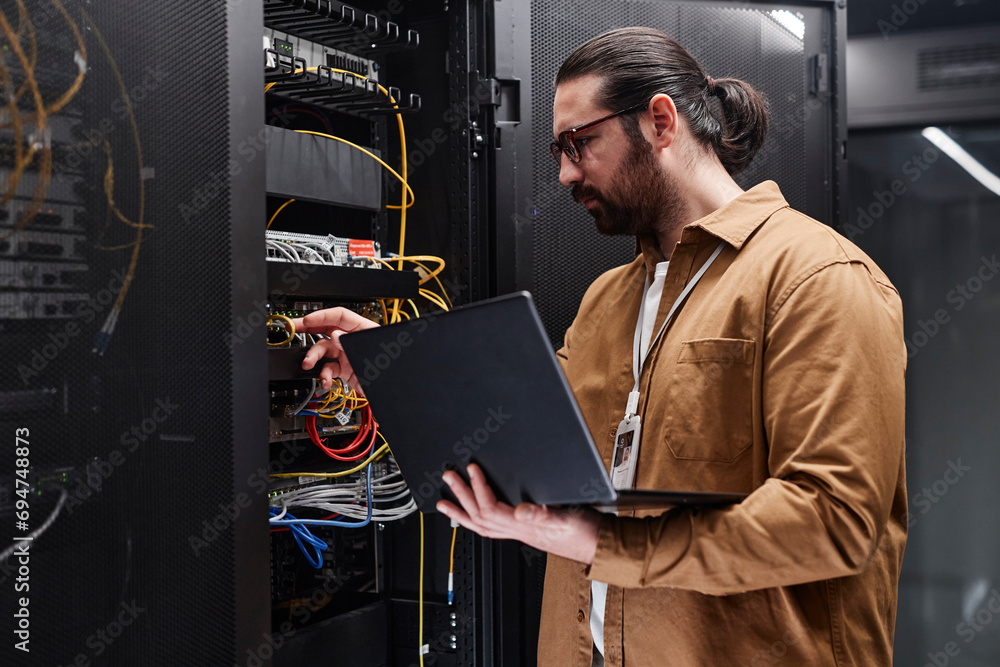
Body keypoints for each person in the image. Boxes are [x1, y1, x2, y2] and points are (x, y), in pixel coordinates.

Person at [293, 27, 907, 667]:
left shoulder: (818, 280)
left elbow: (834, 521)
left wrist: (603, 541)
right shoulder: (609, 299)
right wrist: (393, 365)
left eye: (579, 144)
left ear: (661, 121)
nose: (563, 175)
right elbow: (527, 425)